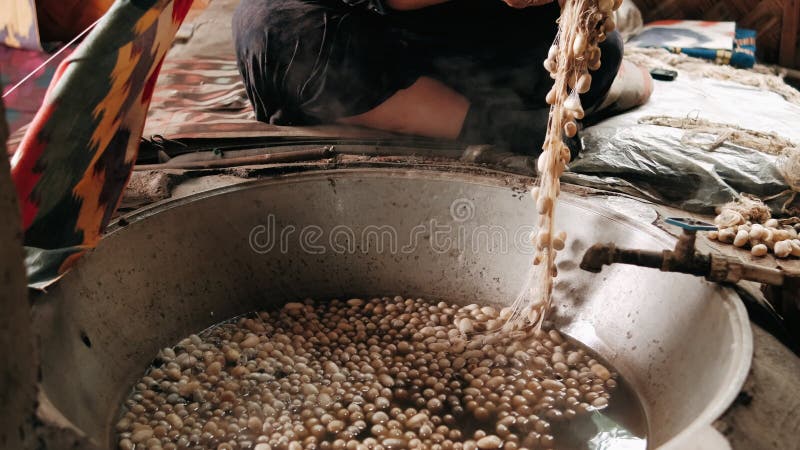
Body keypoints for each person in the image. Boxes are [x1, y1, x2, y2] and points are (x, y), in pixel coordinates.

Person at [232, 0, 651, 157]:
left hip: (465, 35)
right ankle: (496, 125)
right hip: (353, 21)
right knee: (276, 35)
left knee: (596, 53)